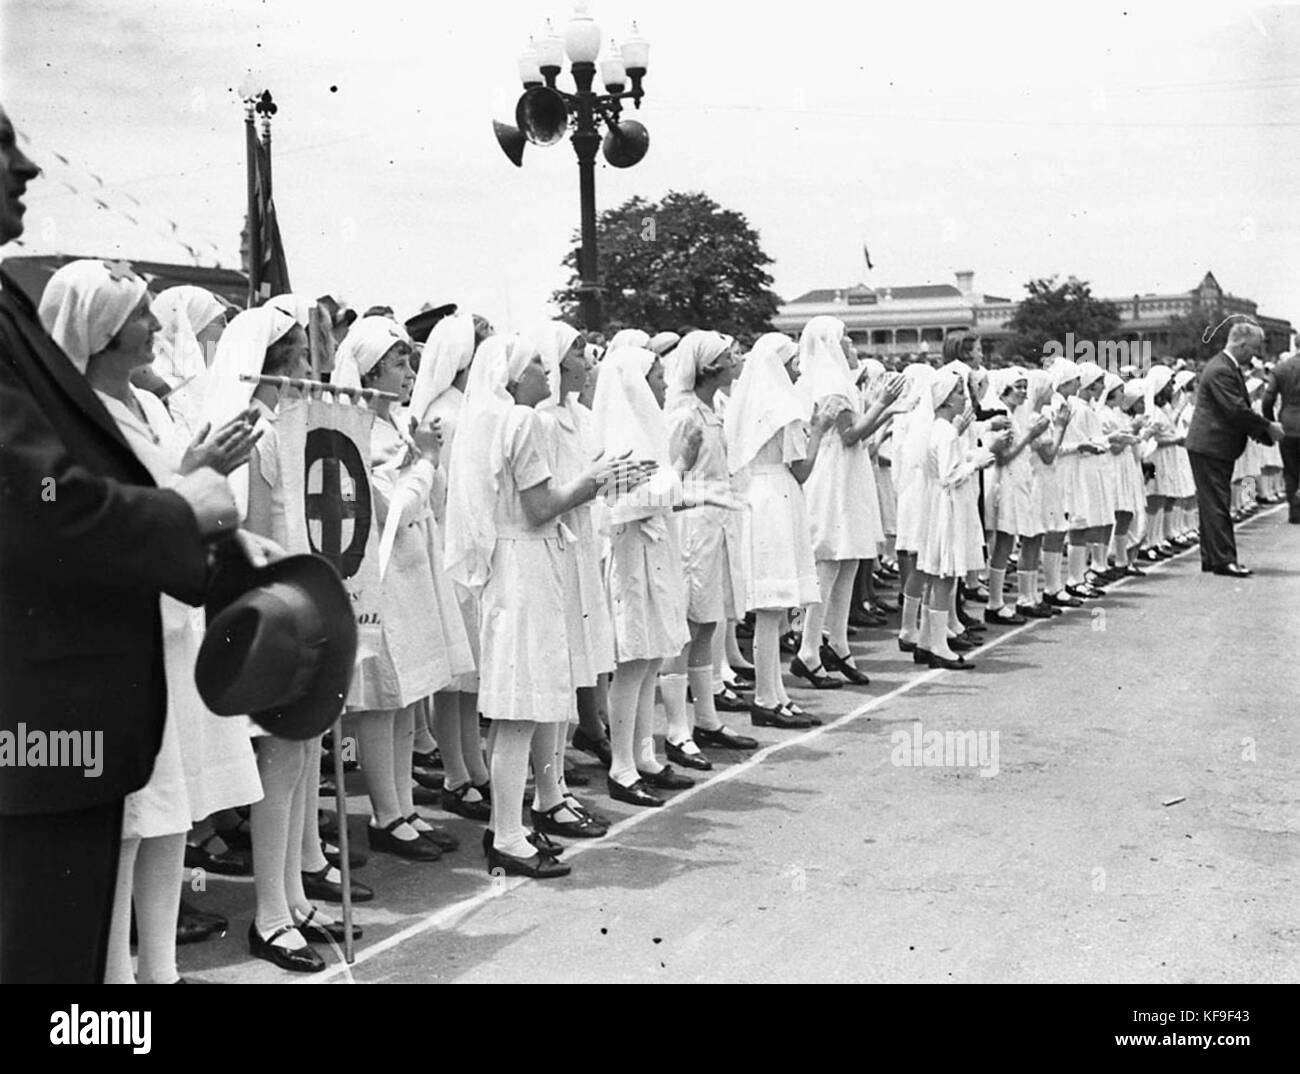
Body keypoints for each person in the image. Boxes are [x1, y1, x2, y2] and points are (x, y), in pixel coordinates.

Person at [0, 104, 240, 985]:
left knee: (125, 864)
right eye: (3, 149)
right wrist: (184, 506)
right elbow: (38, 504)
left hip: (104, 678)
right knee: (50, 952)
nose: (26, 169)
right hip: (39, 708)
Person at [38, 261, 265, 984]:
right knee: (123, 826)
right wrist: (192, 474)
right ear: (104, 333)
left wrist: (202, 481)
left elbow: (189, 504)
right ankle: (112, 979)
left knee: (168, 810)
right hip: (105, 643)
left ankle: (160, 972)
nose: (154, 325)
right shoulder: (62, 419)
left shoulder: (146, 406)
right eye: (139, 314)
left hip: (167, 633)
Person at [445, 334, 651, 873]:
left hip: (512, 565)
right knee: (521, 708)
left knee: (521, 704)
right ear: (513, 374)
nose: (547, 370)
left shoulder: (489, 418)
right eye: (536, 362)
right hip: (526, 563)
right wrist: (595, 481)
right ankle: (508, 835)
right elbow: (542, 506)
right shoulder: (518, 421)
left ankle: (509, 827)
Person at [334, 316, 472, 863]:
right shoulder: (357, 431)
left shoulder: (394, 423)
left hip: (414, 569)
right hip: (382, 574)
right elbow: (391, 511)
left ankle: (406, 807)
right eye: (398, 363)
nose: (410, 372)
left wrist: (417, 458)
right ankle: (386, 814)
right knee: (381, 697)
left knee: (405, 694)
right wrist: (425, 461)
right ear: (369, 370)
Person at [408, 312, 494, 821]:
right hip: (450, 548)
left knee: (470, 672)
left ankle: (473, 766)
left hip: (466, 546)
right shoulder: (447, 413)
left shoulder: (466, 407)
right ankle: (457, 774)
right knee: (455, 675)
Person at [724, 332, 829, 728]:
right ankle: (767, 696)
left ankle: (776, 693)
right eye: (791, 362)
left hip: (760, 494)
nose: (797, 369)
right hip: (777, 495)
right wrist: (818, 429)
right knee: (772, 606)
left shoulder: (749, 403)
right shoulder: (783, 406)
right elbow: (801, 468)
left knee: (773, 605)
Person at [1184, 321, 1284, 576]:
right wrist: (1267, 428)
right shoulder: (1221, 370)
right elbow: (1236, 409)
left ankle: (1212, 556)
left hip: (1212, 445)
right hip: (1211, 445)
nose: (1255, 354)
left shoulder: (1226, 366)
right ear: (1241, 344)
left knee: (1212, 502)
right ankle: (1223, 559)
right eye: (1253, 348)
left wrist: (1263, 432)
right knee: (1218, 502)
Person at [1262, 349, 1300, 522]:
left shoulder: (1281, 368)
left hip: (1288, 423)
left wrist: (1271, 422)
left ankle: (1295, 510)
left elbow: (1268, 399)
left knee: (1290, 470)